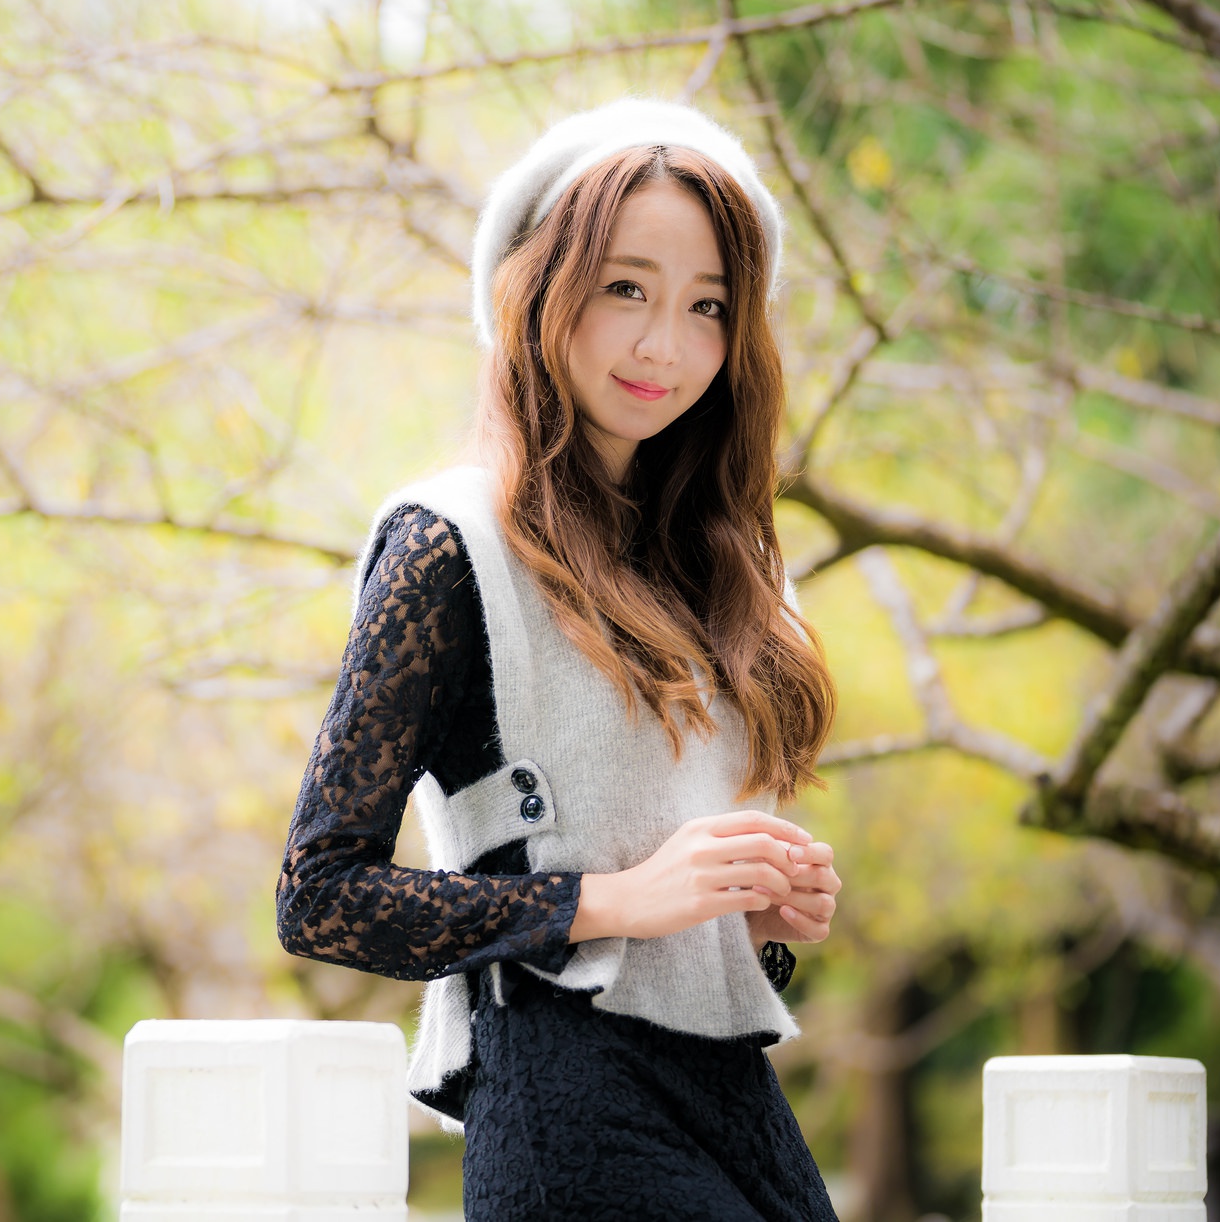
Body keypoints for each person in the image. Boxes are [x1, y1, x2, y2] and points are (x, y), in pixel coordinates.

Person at [274, 98, 845, 1221]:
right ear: (538, 290)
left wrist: (746, 914)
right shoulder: (451, 544)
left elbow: (665, 890)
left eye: (707, 306)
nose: (663, 345)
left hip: (731, 1093)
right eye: (626, 288)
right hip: (564, 1096)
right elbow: (321, 896)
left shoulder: (730, 574)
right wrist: (616, 898)